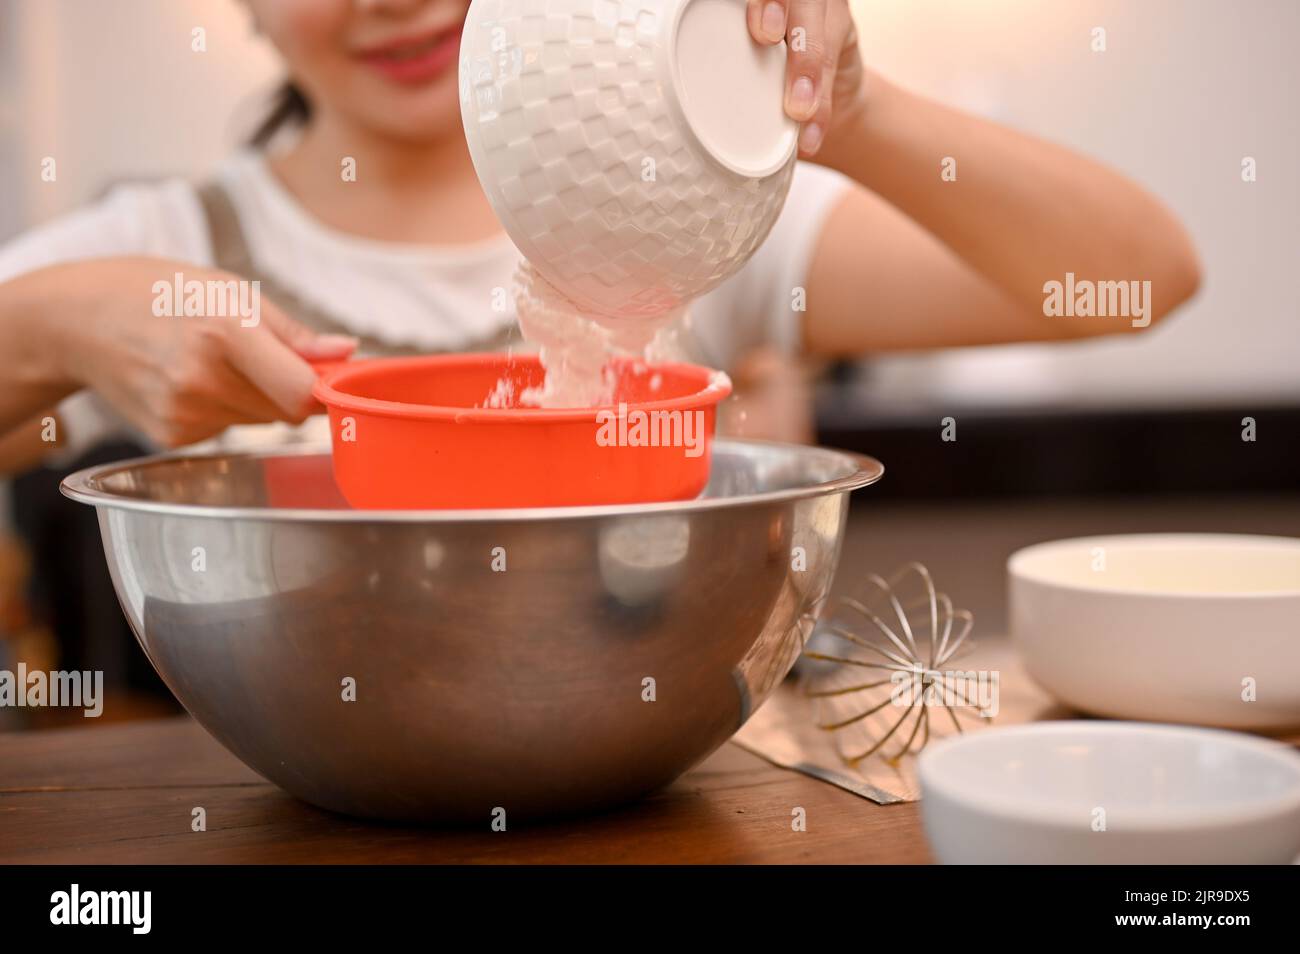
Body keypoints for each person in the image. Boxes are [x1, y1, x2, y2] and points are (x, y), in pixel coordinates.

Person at [0, 0, 1201, 465]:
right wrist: (56, 328)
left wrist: (847, 104)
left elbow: (1136, 279)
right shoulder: (170, 241)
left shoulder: (688, 223)